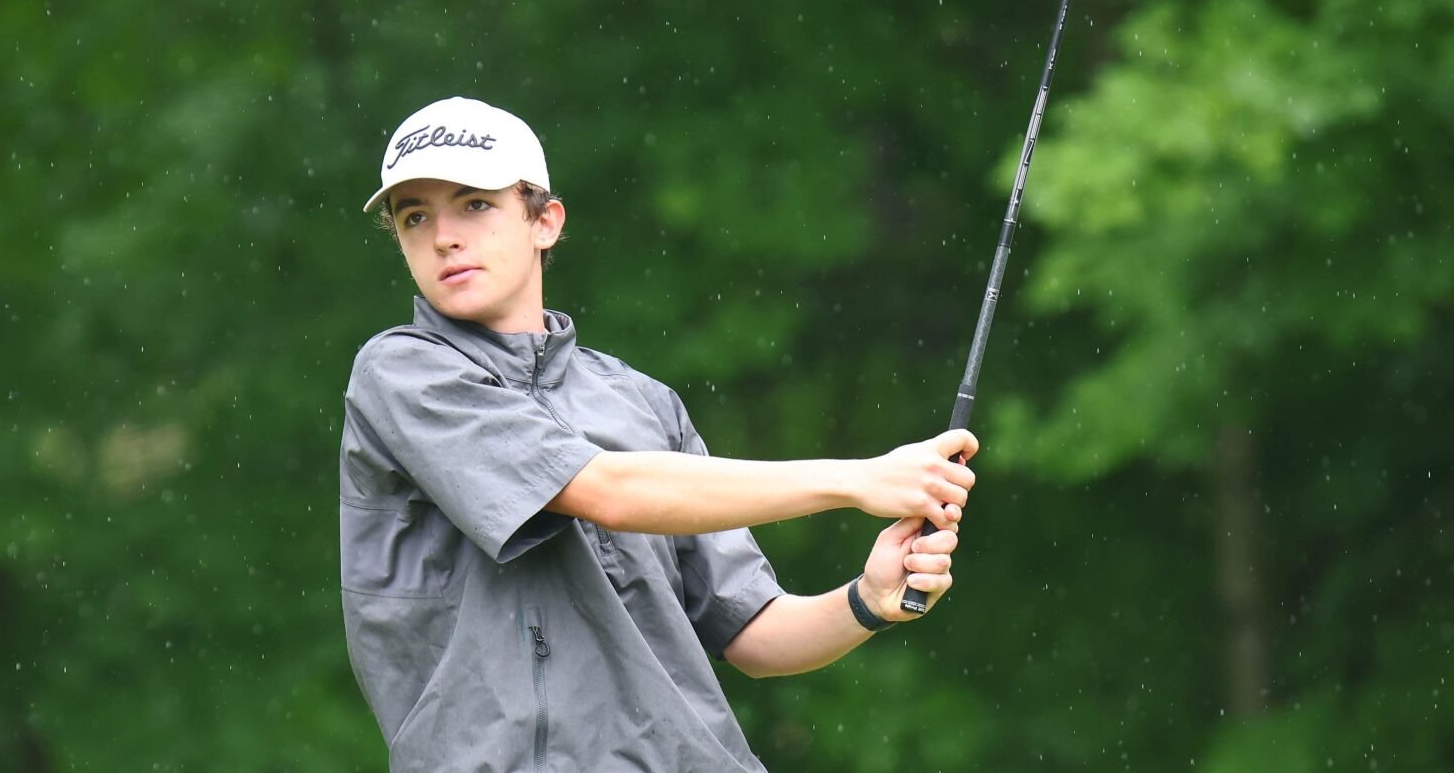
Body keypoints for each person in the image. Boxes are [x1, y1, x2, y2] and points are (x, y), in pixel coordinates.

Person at [340, 96, 978, 772]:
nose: (443, 235)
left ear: (544, 220)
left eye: (474, 204)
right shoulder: (399, 372)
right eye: (415, 216)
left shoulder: (643, 403)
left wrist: (868, 599)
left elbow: (756, 633)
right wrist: (857, 478)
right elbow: (605, 490)